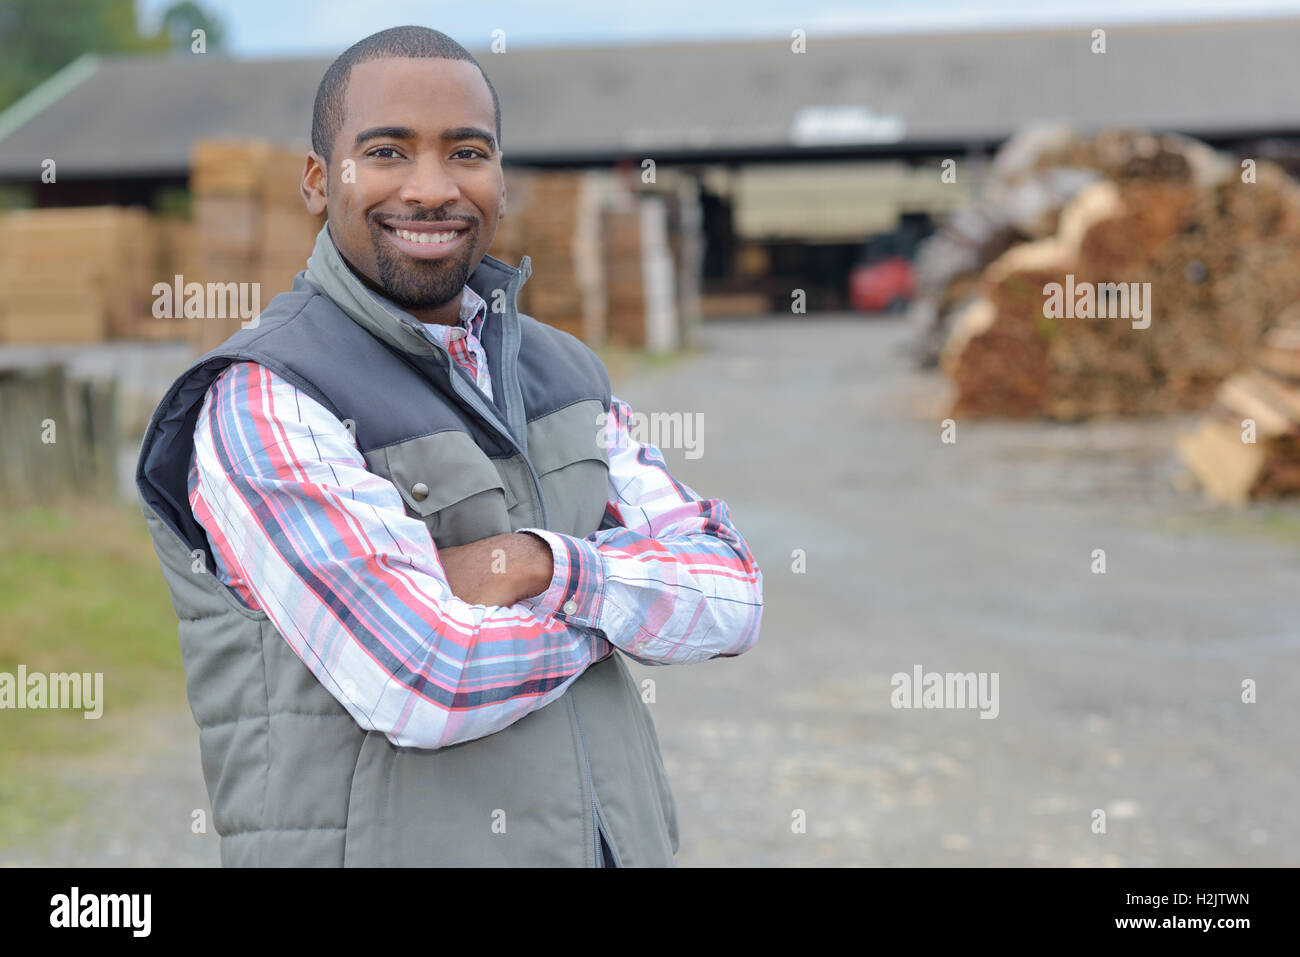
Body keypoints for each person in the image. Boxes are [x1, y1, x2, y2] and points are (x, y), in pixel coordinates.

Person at [135, 25, 763, 867]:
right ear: (320, 182)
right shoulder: (267, 395)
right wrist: (630, 605)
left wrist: (545, 567)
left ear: (500, 180)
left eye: (466, 152)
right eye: (388, 151)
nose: (432, 189)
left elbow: (734, 593)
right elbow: (426, 678)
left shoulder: (562, 370)